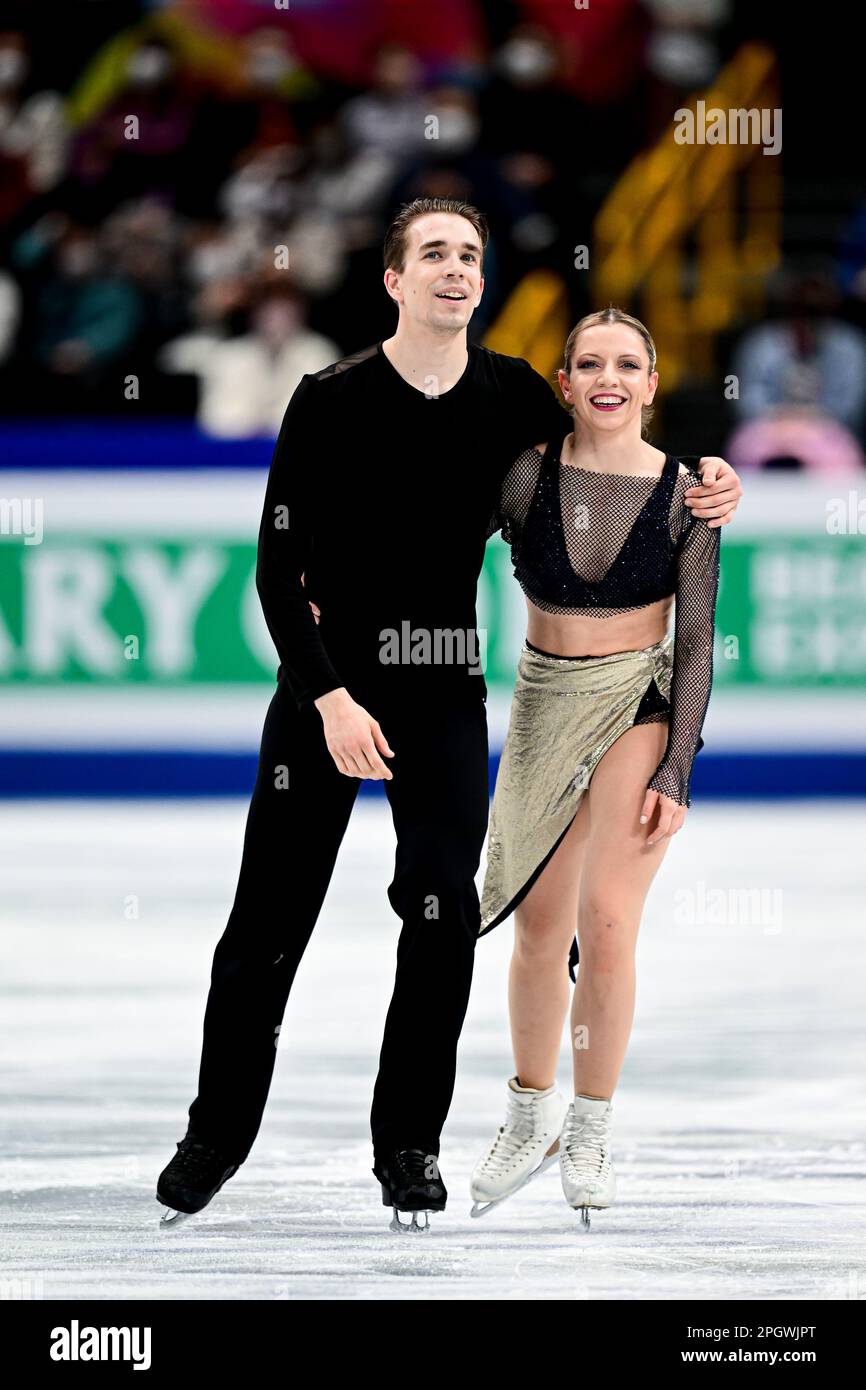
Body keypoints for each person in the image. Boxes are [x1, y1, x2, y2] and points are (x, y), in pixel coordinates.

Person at [155, 200, 742, 1233]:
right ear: (393, 279)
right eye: (433, 253)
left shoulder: (514, 395)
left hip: (440, 691)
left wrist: (706, 480)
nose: (455, 268)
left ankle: (407, 1147)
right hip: (323, 692)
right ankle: (215, 1133)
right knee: (266, 925)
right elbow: (274, 570)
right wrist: (328, 695)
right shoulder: (328, 397)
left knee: (439, 920)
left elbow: (609, 440)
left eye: (469, 254)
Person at [470, 308, 721, 1227]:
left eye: (627, 364)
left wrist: (677, 768)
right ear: (566, 381)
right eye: (589, 363)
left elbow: (694, 642)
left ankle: (591, 1124)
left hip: (639, 704)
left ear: (652, 385)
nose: (607, 377)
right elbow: (436, 543)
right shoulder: (526, 474)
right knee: (538, 928)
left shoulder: (689, 495)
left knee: (605, 921)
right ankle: (530, 1108)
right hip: (542, 700)